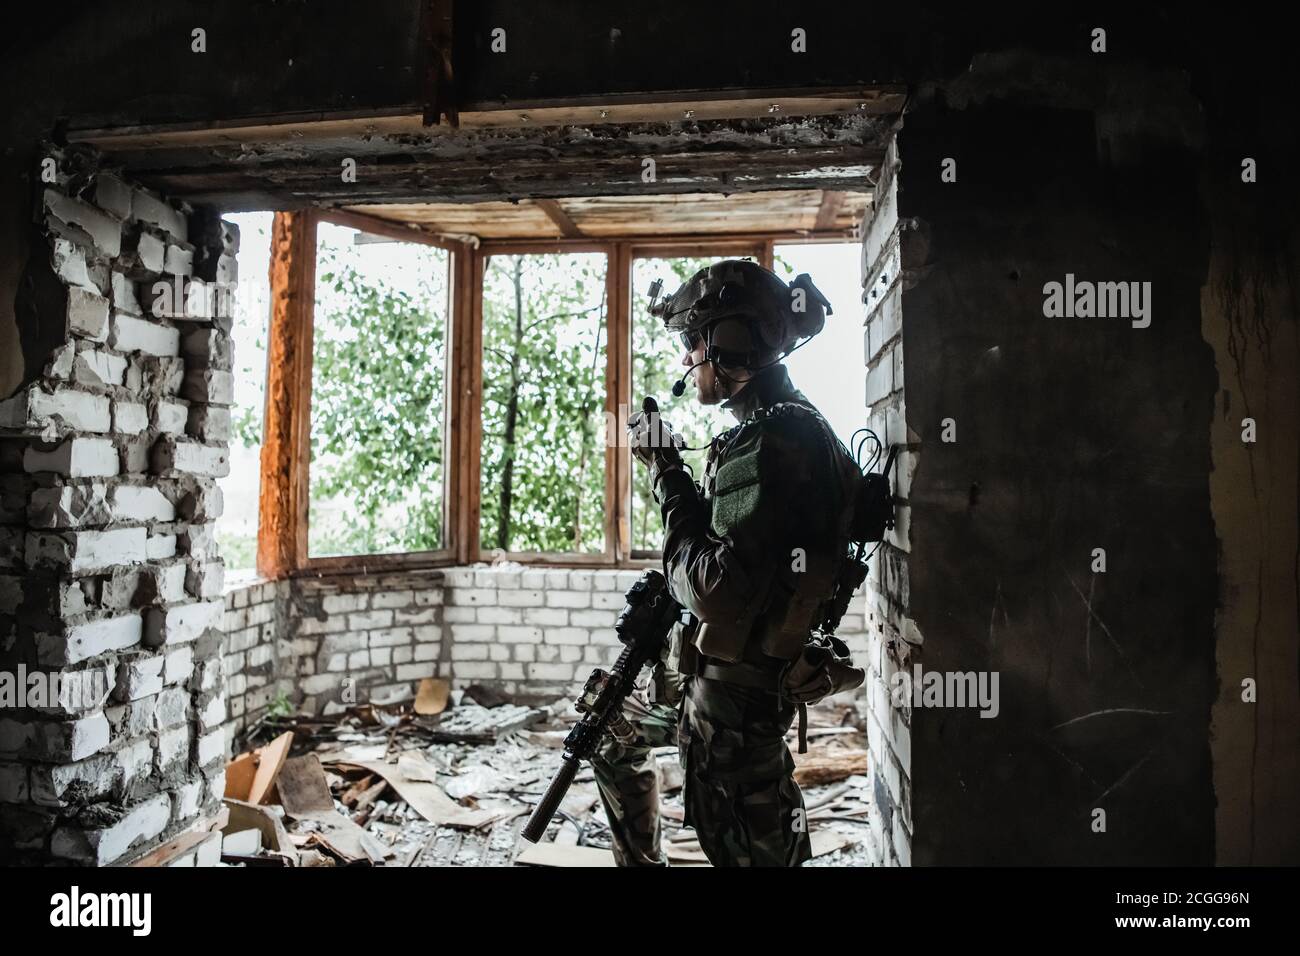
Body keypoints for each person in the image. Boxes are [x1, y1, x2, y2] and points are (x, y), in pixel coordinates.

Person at [589, 259, 863, 867]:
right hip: (711, 674)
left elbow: (714, 588)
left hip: (736, 699)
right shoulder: (777, 428)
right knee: (609, 725)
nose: (687, 358)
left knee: (750, 850)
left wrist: (664, 472)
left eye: (693, 342)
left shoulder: (776, 441)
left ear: (730, 344)